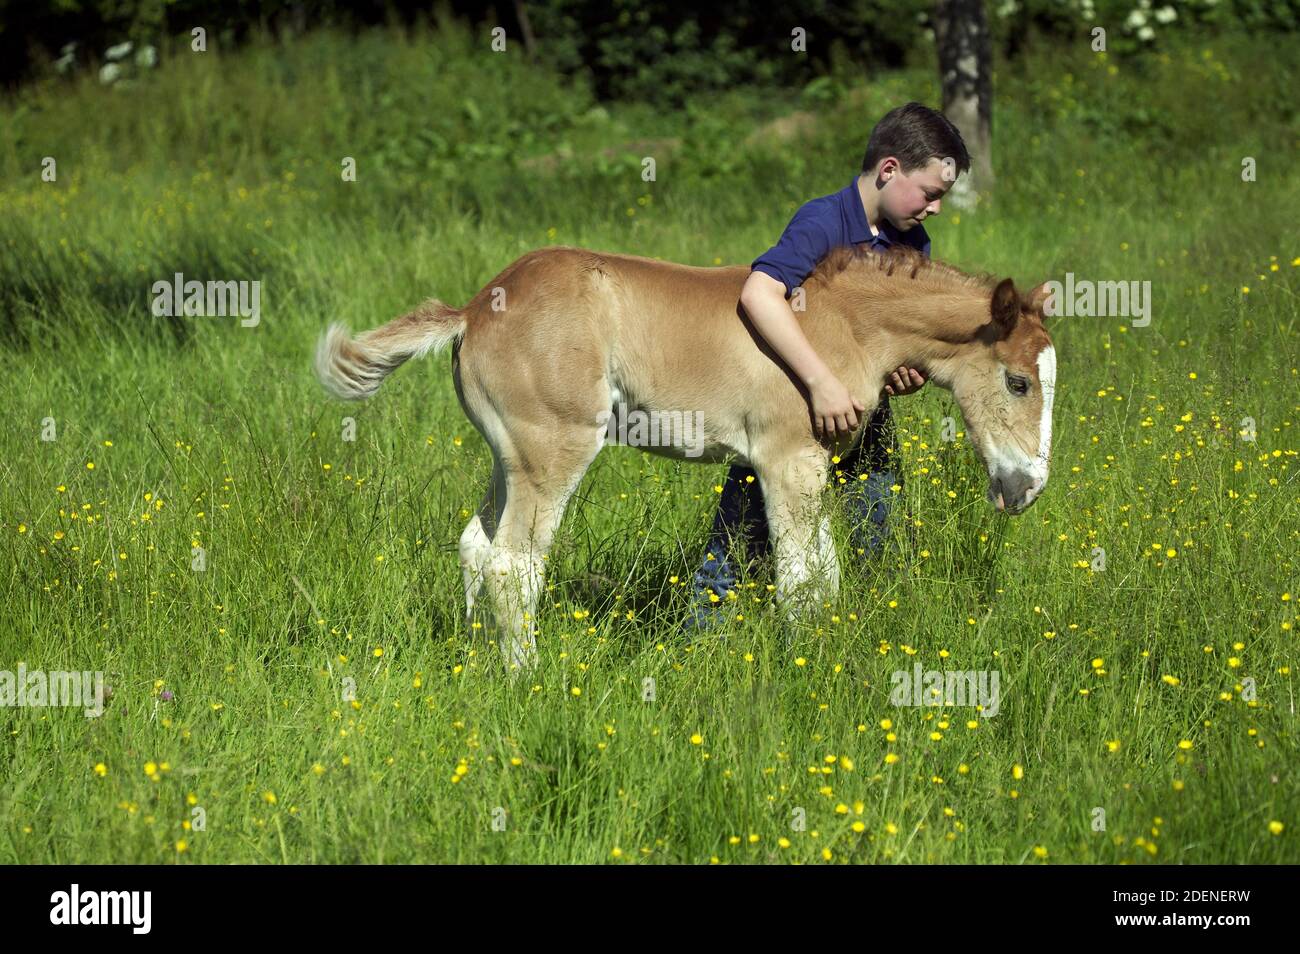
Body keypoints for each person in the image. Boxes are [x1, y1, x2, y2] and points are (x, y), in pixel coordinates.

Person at [684, 102, 971, 630]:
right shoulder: (822, 221)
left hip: (867, 414)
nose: (934, 208)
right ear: (889, 170)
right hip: (788, 408)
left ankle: (867, 638)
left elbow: (896, 339)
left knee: (879, 532)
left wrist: (904, 373)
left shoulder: (912, 242)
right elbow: (760, 293)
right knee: (743, 529)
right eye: (931, 193)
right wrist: (820, 383)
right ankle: (700, 639)